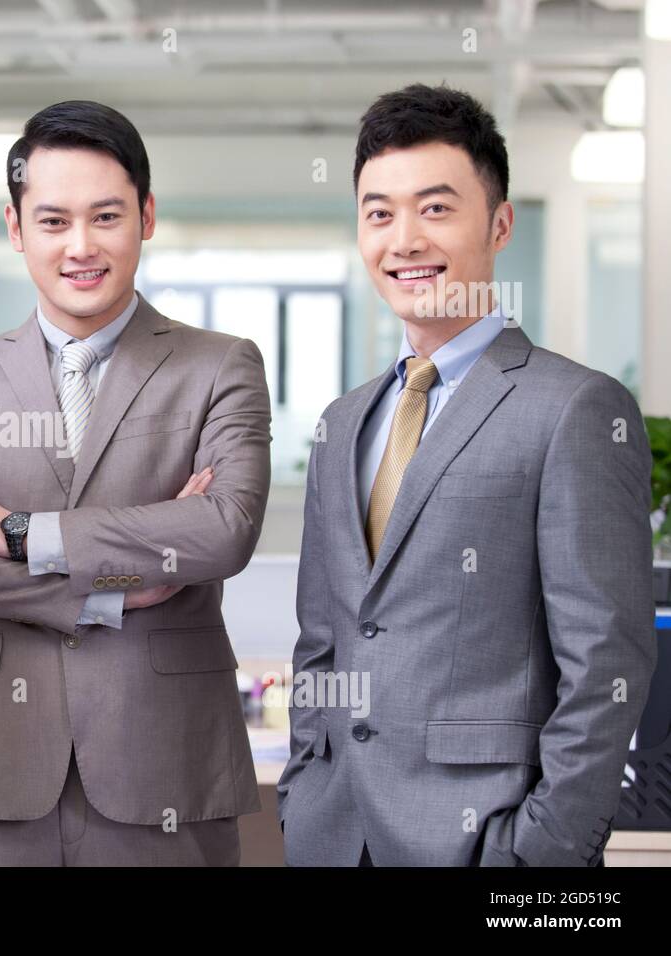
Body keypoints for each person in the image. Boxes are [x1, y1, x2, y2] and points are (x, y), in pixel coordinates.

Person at [277, 84, 655, 866]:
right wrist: (305, 782)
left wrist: (538, 853)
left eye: (436, 208)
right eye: (379, 213)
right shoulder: (342, 423)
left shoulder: (574, 409)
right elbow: (324, 639)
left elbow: (607, 663)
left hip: (487, 842)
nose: (405, 240)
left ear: (500, 224)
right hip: (334, 835)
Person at [0, 100, 272, 866]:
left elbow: (221, 531)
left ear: (146, 216)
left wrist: (16, 532)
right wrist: (112, 595)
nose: (81, 246)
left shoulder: (220, 365)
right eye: (53, 221)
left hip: (166, 765)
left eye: (106, 217)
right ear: (16, 228)